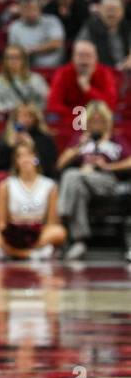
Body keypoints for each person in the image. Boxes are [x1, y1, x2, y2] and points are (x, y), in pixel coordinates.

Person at [56, 100, 130, 260]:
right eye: (93, 120)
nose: (96, 123)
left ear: (107, 120)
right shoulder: (80, 139)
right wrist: (78, 148)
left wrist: (107, 166)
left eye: (100, 120)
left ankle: (61, 215)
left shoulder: (116, 139)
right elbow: (60, 164)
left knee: (72, 176)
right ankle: (80, 241)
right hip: (82, 183)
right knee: (76, 185)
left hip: (107, 181)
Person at [0, 139, 65, 261]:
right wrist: (11, 234)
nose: (25, 159)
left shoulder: (49, 186)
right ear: (16, 162)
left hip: (37, 232)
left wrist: (38, 231)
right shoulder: (5, 185)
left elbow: (51, 223)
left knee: (59, 232)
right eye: (20, 156)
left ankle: (9, 253)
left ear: (36, 158)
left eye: (29, 154)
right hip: (13, 233)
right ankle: (29, 254)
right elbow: (2, 223)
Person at [0, 44, 50, 114]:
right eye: (9, 58)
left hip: (31, 119)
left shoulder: (36, 79)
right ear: (4, 61)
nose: (13, 61)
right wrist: (12, 110)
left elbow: (48, 101)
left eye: (17, 57)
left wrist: (31, 110)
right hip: (8, 117)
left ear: (24, 60)